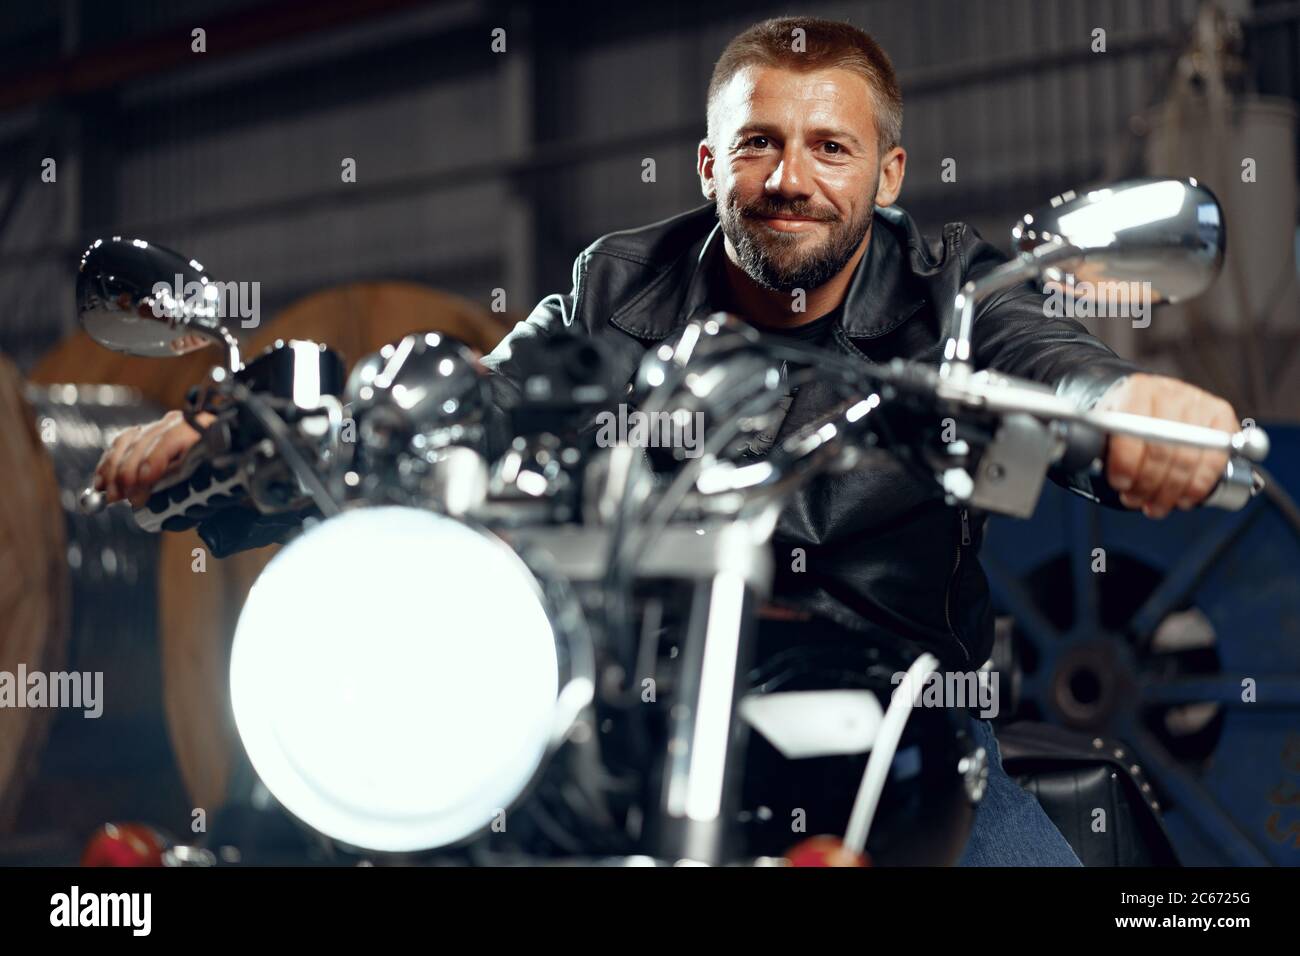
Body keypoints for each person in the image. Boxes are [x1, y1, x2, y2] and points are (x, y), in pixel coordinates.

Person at [95, 16, 1239, 865]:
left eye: (829, 150)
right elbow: (483, 396)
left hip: (895, 719)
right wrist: (231, 432)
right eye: (756, 145)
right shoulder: (616, 282)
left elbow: (1048, 360)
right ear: (708, 163)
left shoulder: (953, 291)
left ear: (887, 174)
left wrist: (1138, 404)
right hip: (610, 714)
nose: (788, 179)